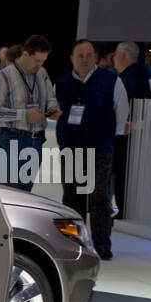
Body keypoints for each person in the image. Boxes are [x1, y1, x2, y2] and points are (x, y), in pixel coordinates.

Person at [54, 39, 127, 260]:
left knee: (99, 198)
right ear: (72, 59)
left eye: (88, 55)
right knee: (72, 198)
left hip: (100, 149)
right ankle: (73, 243)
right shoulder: (62, 83)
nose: (84, 59)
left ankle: (102, 245)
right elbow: (55, 112)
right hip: (71, 148)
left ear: (95, 57)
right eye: (80, 56)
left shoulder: (111, 81)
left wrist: (112, 138)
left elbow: (121, 111)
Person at [0, 35, 61, 191]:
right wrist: (24, 115)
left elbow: (50, 98)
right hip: (10, 139)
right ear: (25, 54)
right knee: (10, 193)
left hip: (36, 141)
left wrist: (53, 109)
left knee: (25, 194)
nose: (40, 65)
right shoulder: (5, 76)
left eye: (43, 61)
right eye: (37, 60)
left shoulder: (42, 74)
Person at [112, 40, 151, 220]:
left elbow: (134, 108)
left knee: (121, 174)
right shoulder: (135, 75)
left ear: (121, 56)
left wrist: (130, 123)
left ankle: (124, 210)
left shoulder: (132, 77)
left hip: (128, 137)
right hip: (131, 135)